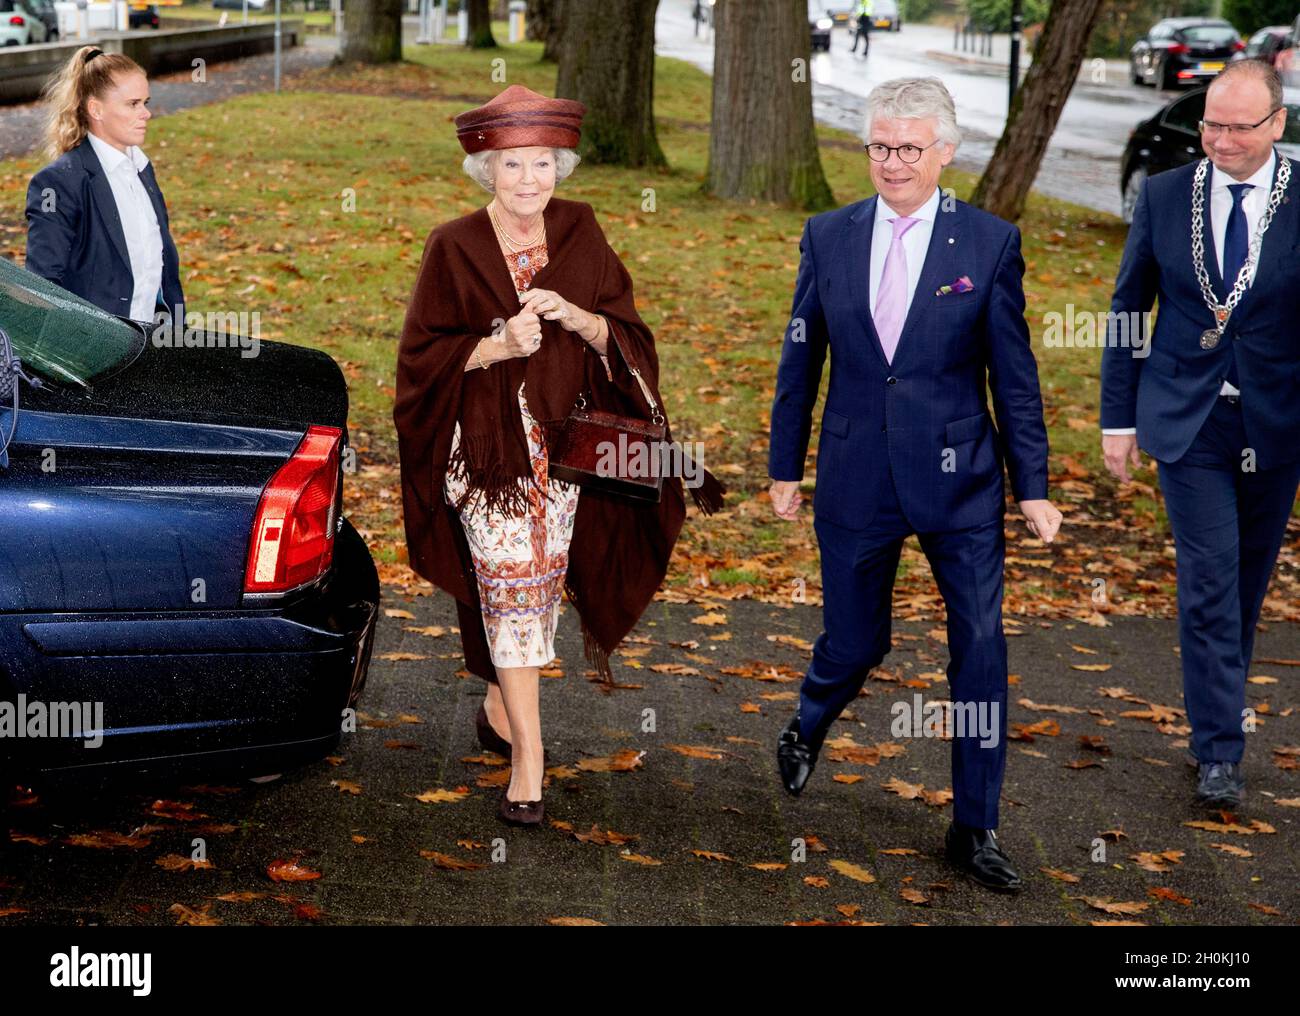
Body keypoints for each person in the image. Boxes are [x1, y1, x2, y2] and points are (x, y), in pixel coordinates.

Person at [394, 85, 721, 828]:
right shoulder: (453, 244)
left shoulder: (581, 231)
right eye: (512, 164)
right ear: (486, 168)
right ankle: (529, 765)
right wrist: (497, 346)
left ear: (561, 165)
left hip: (566, 453)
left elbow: (627, 336)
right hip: (487, 456)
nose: (529, 179)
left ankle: (497, 703)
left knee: (536, 592)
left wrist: (581, 318)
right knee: (510, 585)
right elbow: (419, 362)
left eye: (543, 162)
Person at [769, 77, 1061, 893]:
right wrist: (784, 466)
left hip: (960, 480)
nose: (892, 162)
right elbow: (802, 361)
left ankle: (975, 826)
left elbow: (1017, 376)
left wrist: (1030, 484)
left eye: (908, 147)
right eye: (879, 146)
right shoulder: (828, 235)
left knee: (979, 650)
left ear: (945, 151)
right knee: (858, 642)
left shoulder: (990, 243)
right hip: (857, 472)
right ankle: (808, 720)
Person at [1100, 59, 1300, 811]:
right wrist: (1117, 418)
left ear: (1276, 124)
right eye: (1211, 123)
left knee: (1246, 586)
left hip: (1278, 421)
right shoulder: (1163, 194)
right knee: (1211, 580)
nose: (1218, 139)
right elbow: (1128, 311)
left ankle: (1222, 709)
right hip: (1187, 421)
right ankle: (1219, 750)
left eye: (1237, 127)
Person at [24, 46, 183, 322]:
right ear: (96, 110)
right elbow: (43, 289)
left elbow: (162, 273)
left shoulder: (142, 169)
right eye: (133, 104)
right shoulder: (57, 183)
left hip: (153, 347)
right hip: (92, 355)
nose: (146, 113)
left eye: (145, 102)